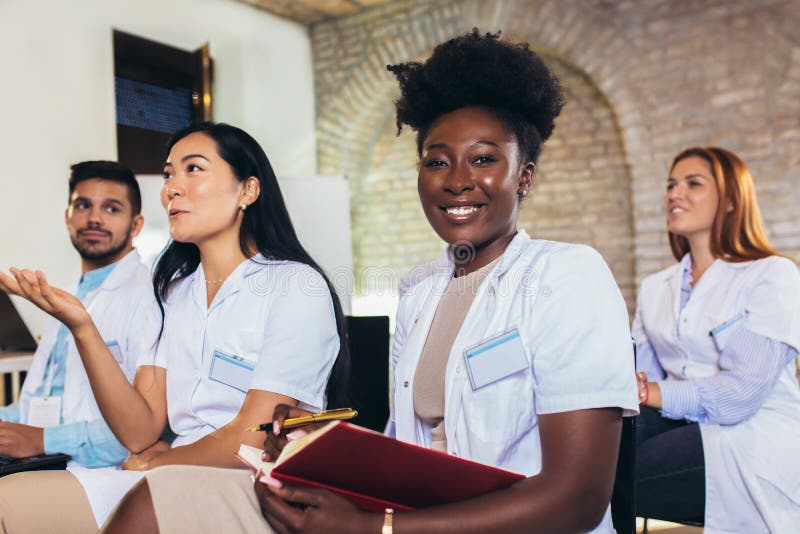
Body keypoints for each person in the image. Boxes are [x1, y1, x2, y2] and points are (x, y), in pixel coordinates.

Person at [109, 30, 638, 534]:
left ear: (524, 175)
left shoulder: (565, 275)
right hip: (410, 518)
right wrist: (318, 441)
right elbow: (405, 448)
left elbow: (576, 500)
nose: (457, 180)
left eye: (483, 159)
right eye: (437, 161)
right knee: (152, 505)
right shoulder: (420, 292)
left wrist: (376, 528)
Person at [0, 122, 349, 532]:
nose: (172, 188)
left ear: (247, 191)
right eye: (168, 175)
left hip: (255, 481)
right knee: (11, 499)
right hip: (168, 471)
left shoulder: (295, 285)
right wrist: (82, 327)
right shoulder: (171, 294)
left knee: (150, 499)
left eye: (193, 169)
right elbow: (139, 430)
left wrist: (162, 461)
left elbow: (252, 437)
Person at [633, 146, 800, 531]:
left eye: (693, 184)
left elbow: (740, 395)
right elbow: (636, 374)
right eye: (671, 185)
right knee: (603, 443)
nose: (675, 193)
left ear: (729, 200)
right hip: (678, 423)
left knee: (615, 474)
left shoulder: (772, 275)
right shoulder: (655, 287)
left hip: (751, 432)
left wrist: (648, 392)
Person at [0, 160, 158, 467]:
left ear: (136, 224)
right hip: (42, 458)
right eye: (83, 206)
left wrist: (43, 440)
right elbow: (40, 403)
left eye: (111, 209)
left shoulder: (149, 299)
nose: (94, 218)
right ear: (67, 216)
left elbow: (143, 430)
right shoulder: (69, 292)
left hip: (96, 470)